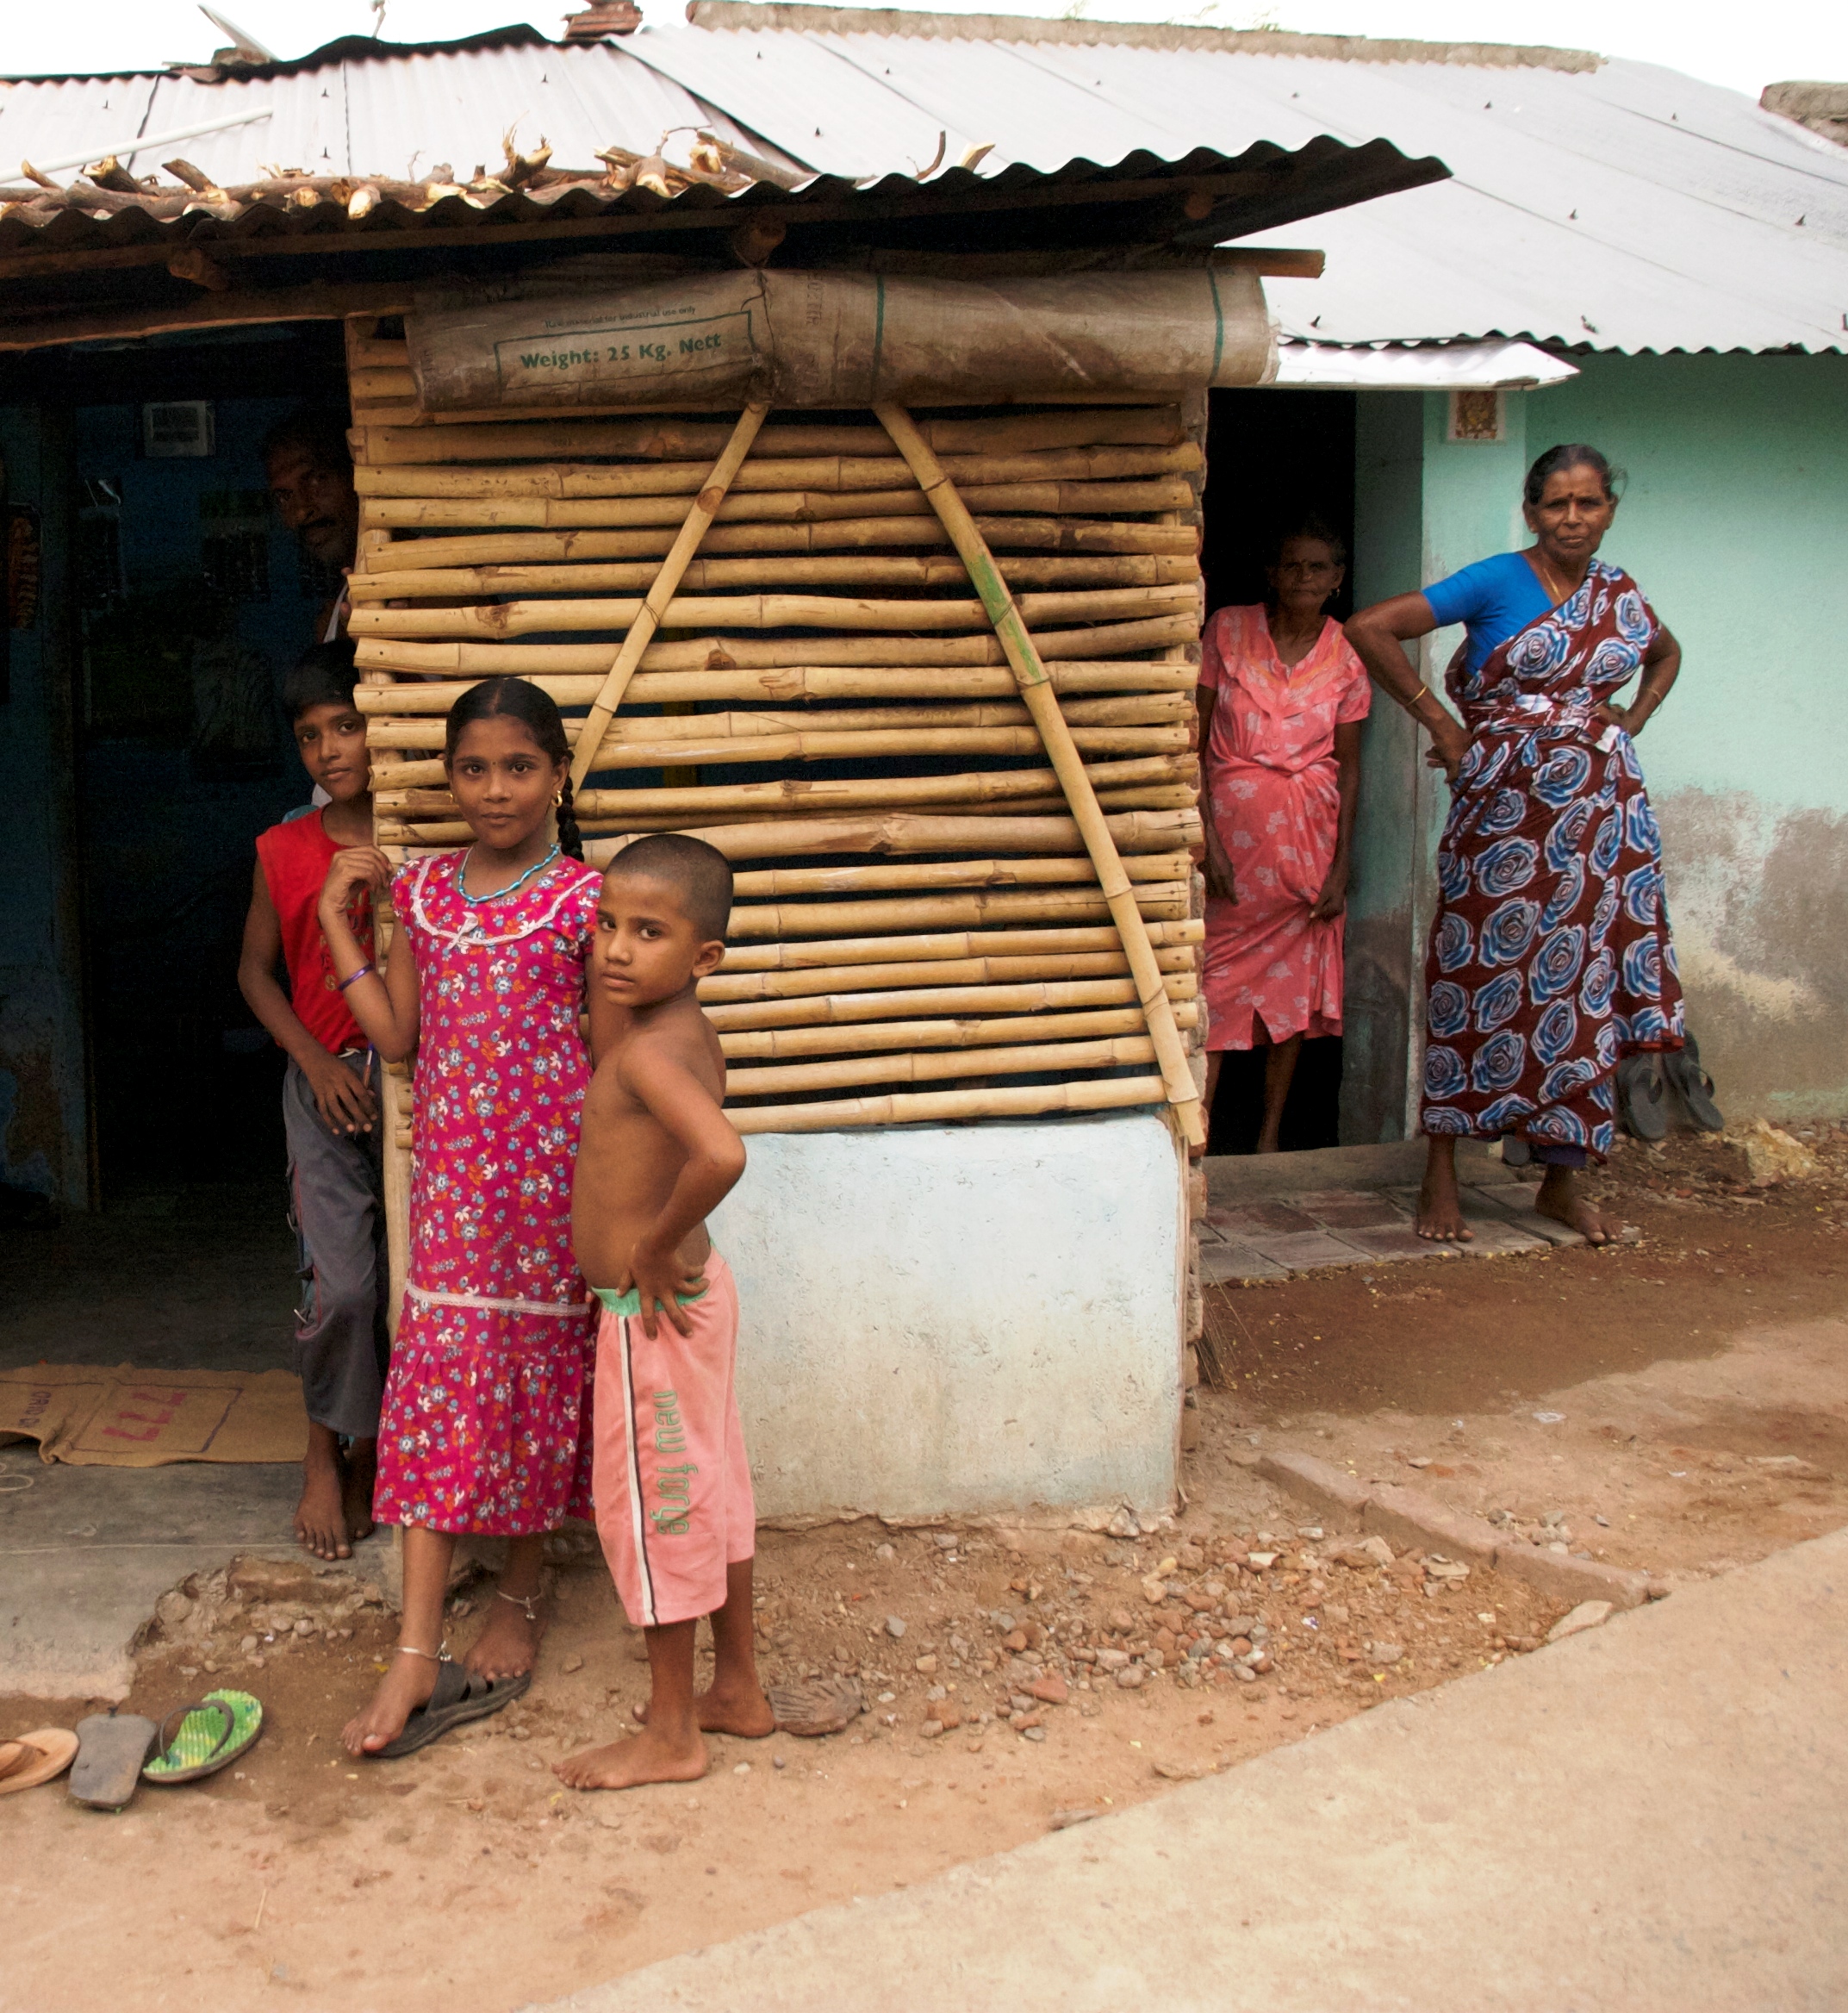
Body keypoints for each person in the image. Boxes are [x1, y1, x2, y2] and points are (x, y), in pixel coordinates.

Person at [319, 678, 605, 1758]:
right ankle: (414, 1648)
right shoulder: (427, 892)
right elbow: (396, 1036)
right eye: (475, 768)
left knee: (544, 1375)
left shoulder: (587, 899)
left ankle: (524, 1590)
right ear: (448, 776)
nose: (496, 790)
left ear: (558, 775)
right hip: (451, 1199)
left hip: (550, 1194)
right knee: (439, 1384)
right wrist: (336, 925)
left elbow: (615, 1057)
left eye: (520, 767)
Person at [1344, 443, 1687, 1247]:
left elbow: (1665, 654)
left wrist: (1630, 721)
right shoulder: (1495, 579)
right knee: (1475, 971)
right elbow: (1369, 628)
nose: (1573, 518)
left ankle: (1562, 1182)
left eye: (1589, 503)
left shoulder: (1619, 593)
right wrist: (1444, 726)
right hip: (1502, 816)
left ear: (1609, 509)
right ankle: (1442, 1172)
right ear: (1531, 511)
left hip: (1602, 824)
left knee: (1582, 987)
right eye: (1556, 504)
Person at [553, 835, 768, 1792]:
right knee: (709, 1491)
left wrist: (647, 1243)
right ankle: (741, 1689)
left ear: (706, 956)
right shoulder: (672, 1033)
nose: (615, 948)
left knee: (658, 1508)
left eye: (648, 932)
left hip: (654, 1312)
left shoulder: (648, 1057)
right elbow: (621, 1017)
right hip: (689, 1304)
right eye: (605, 924)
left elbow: (720, 1155)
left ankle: (674, 1731)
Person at [236, 639, 388, 1561]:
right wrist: (314, 1062)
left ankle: (373, 1448)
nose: (330, 749)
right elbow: (255, 973)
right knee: (340, 1288)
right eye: (309, 735)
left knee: (407, 1291)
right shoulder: (284, 848)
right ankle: (322, 1452)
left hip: (415, 1085)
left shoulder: (414, 843)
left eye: (346, 725)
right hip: (321, 1080)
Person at [1197, 520, 1370, 1152]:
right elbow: (1190, 740)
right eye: (1292, 566)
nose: (1304, 577)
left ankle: (1269, 1139)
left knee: (1290, 1000)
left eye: (1318, 568)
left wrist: (1341, 866)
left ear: (1336, 580)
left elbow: (1349, 767)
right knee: (1210, 988)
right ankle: (1200, 1133)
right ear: (1271, 574)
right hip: (1232, 851)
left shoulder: (1350, 651)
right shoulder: (1228, 628)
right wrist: (1206, 840)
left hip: (1306, 848)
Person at [264, 408, 359, 647]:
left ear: (357, 474)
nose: (301, 510)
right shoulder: (330, 618)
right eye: (285, 496)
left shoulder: (435, 587)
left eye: (317, 480)